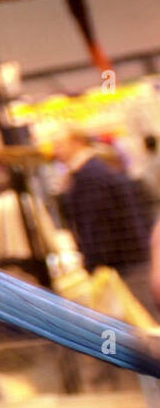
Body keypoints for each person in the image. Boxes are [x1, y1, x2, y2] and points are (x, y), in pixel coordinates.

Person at [56, 131, 154, 317]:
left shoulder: (90, 176)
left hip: (122, 263)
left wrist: (95, 263)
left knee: (141, 320)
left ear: (78, 143)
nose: (56, 151)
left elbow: (95, 225)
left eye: (60, 144)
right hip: (128, 260)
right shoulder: (90, 174)